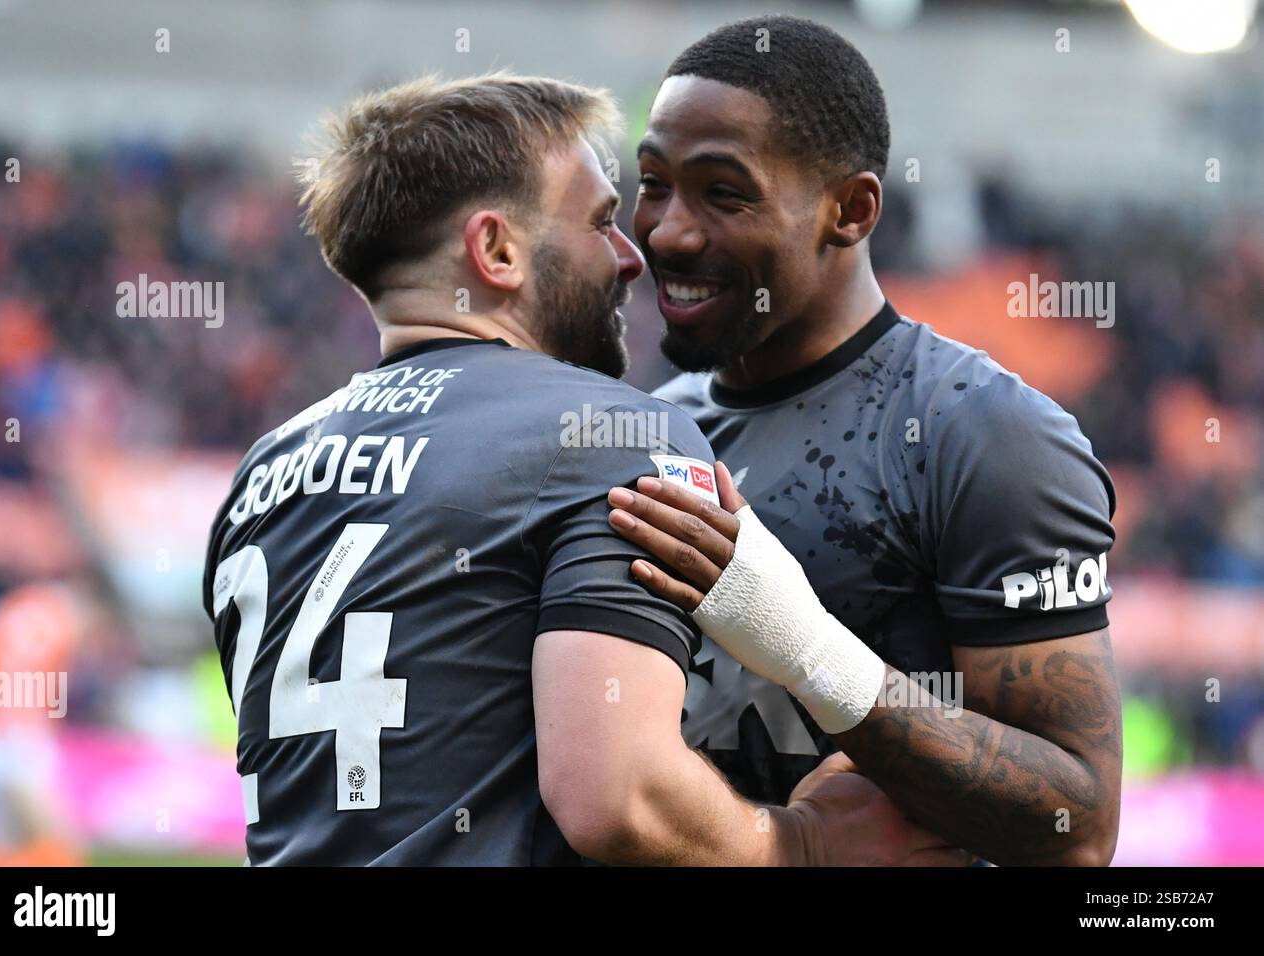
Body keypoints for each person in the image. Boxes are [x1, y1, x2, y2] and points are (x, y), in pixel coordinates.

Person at [202, 72, 960, 865]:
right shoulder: (612, 431)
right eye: (600, 222)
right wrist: (798, 844)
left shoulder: (266, 470)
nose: (633, 256)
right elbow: (616, 797)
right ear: (496, 250)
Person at [606, 16, 1123, 866]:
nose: (667, 231)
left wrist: (807, 649)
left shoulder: (985, 435)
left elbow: (1080, 826)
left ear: (850, 210)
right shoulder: (649, 429)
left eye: (723, 193)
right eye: (654, 183)